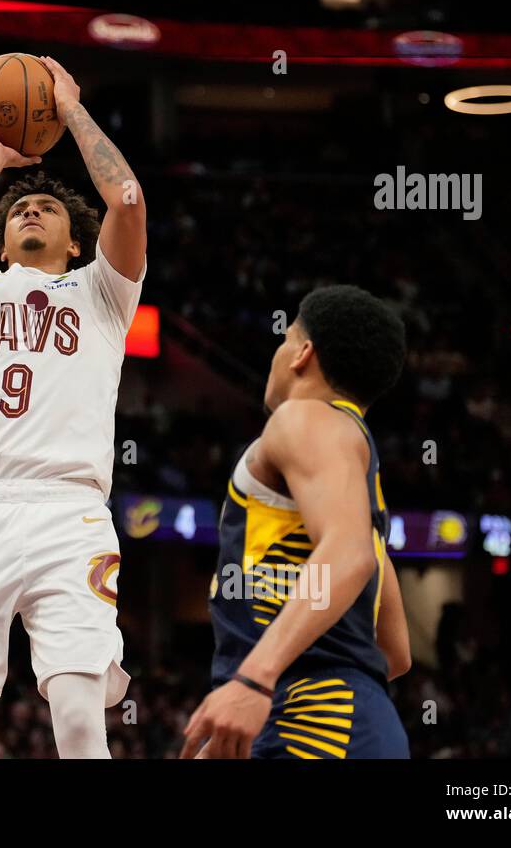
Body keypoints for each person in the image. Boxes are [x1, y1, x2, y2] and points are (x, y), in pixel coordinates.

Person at [0, 58, 146, 758]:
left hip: (67, 513)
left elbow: (127, 200)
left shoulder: (102, 295)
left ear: (76, 242)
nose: (30, 209)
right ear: (1, 240)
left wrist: (69, 110)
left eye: (46, 208)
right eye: (17, 211)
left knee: (78, 719)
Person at [182, 285, 412, 759]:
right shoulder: (353, 485)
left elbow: (347, 555)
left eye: (285, 338)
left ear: (303, 352)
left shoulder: (305, 419)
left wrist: (255, 678)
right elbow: (394, 651)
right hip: (331, 724)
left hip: (316, 728)